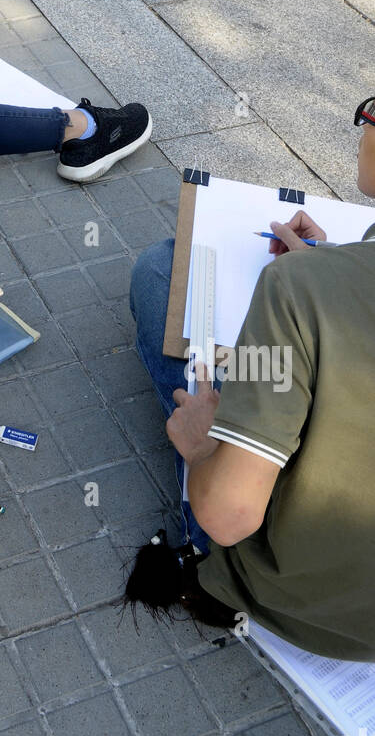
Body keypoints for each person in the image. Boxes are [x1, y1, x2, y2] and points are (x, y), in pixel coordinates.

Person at [125, 96, 375, 659]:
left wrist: (199, 443)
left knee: (161, 271)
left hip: (310, 605)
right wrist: (330, 264)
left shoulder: (300, 288)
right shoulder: (315, 277)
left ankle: (219, 576)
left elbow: (230, 515)